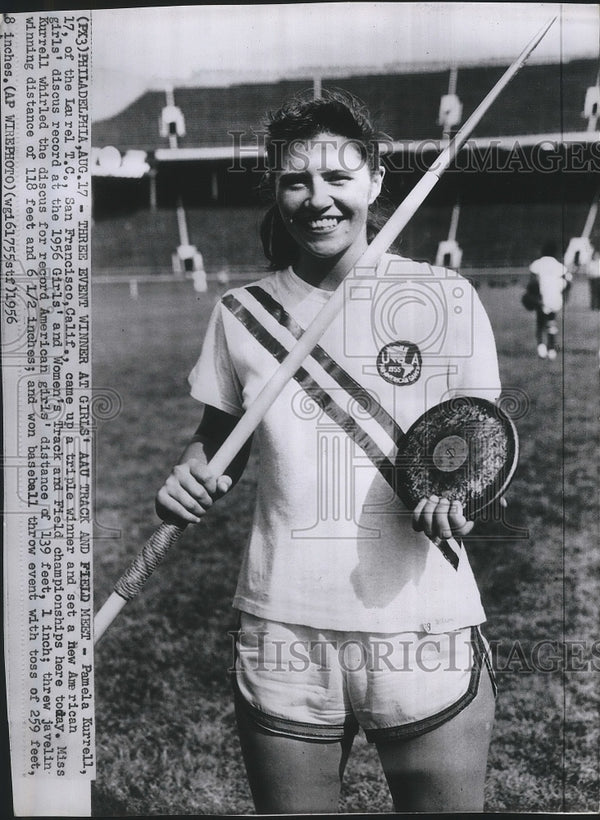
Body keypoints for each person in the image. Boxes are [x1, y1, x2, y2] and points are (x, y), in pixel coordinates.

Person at [156, 90, 501, 814]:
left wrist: (460, 498)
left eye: (338, 178)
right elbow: (218, 441)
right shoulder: (242, 315)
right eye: (295, 181)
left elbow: (479, 443)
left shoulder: (446, 295)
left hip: (420, 618)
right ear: (276, 190)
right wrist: (191, 474)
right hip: (284, 626)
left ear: (374, 180)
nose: (318, 199)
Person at [527, 241, 571, 360]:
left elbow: (532, 283)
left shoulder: (537, 264)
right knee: (551, 323)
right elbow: (568, 281)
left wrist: (533, 296)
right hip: (555, 299)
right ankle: (551, 350)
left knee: (540, 323)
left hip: (542, 298)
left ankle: (541, 348)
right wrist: (564, 293)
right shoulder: (559, 265)